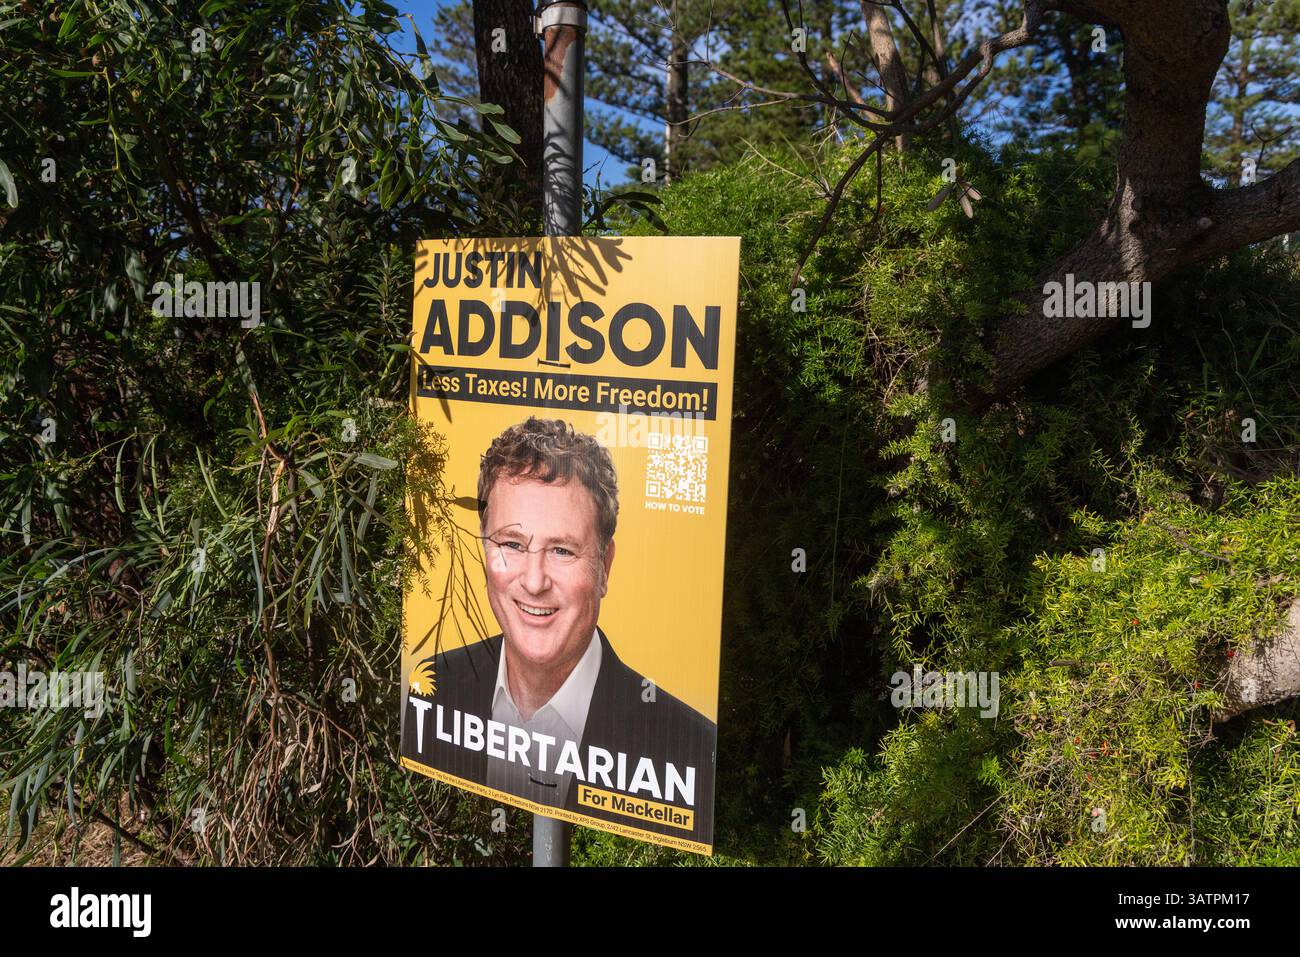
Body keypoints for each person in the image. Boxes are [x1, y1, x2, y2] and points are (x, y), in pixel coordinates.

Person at [401, 417, 716, 846]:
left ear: (604, 566)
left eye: (562, 550)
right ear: (483, 550)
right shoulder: (431, 688)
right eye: (512, 544)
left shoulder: (685, 745)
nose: (534, 581)